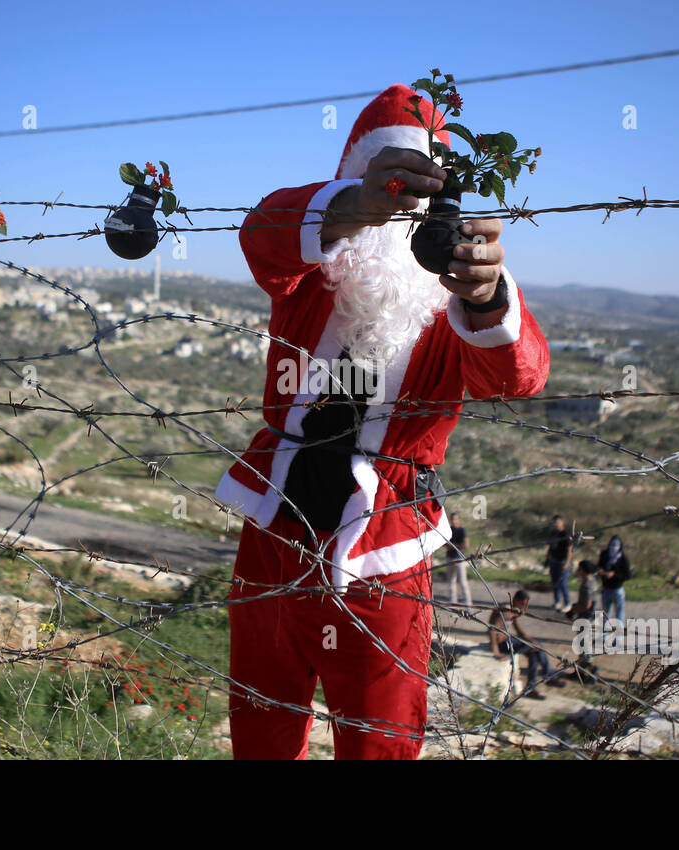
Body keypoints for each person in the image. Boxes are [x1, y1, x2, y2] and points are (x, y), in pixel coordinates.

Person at [215, 84, 551, 759]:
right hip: (274, 526)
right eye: (388, 186)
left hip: (386, 542)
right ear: (356, 180)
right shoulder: (315, 265)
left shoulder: (451, 295)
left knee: (381, 738)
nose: (402, 211)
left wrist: (487, 296)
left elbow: (515, 376)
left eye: (415, 194)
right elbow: (262, 234)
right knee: (260, 724)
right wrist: (354, 208)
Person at [488, 590, 558, 699]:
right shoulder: (505, 609)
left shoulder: (514, 610)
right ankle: (548, 676)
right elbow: (492, 629)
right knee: (536, 648)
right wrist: (496, 651)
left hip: (508, 640)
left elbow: (519, 630)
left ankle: (531, 688)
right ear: (515, 600)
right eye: (523, 604)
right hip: (501, 644)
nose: (525, 606)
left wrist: (530, 640)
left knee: (534, 651)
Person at [597, 535, 630, 627]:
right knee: (605, 613)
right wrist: (601, 572)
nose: (613, 547)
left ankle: (618, 637)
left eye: (616, 545)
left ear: (620, 546)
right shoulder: (604, 555)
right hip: (606, 589)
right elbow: (598, 567)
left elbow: (627, 575)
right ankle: (604, 636)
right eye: (612, 544)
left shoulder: (623, 558)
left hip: (617, 590)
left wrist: (614, 575)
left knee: (619, 613)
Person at [543, 514, 573, 611]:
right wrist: (547, 558)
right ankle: (557, 602)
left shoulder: (566, 534)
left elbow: (569, 550)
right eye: (554, 522)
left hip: (562, 562)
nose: (556, 524)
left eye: (557, 522)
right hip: (553, 561)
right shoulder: (553, 533)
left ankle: (568, 603)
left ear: (562, 522)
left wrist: (567, 563)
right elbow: (550, 547)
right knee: (555, 583)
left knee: (562, 583)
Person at [446, 513, 473, 611]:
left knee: (462, 582)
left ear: (459, 520)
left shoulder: (462, 530)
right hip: (449, 558)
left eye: (456, 519)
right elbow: (444, 543)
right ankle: (453, 603)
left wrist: (453, 546)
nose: (454, 521)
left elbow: (466, 544)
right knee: (451, 583)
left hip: (460, 559)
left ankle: (468, 605)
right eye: (452, 519)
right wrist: (454, 546)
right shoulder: (449, 530)